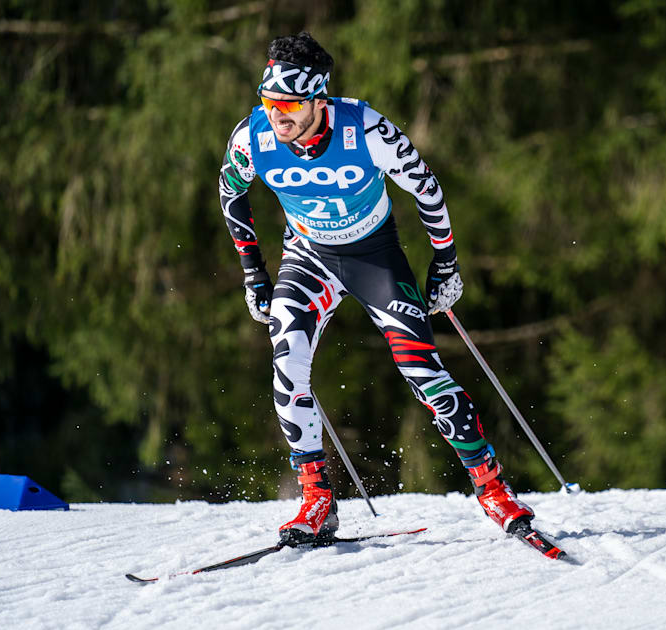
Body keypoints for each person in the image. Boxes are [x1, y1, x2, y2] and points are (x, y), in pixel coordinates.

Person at [218, 32, 535, 545]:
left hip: (373, 257)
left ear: (320, 100)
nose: (279, 116)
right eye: (270, 102)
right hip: (308, 257)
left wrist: (446, 265)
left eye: (291, 105)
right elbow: (231, 193)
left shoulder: (364, 128)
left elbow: (426, 188)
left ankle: (493, 491)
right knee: (287, 363)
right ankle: (317, 500)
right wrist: (254, 272)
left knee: (422, 372)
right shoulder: (251, 137)